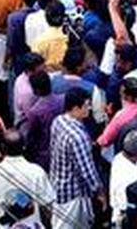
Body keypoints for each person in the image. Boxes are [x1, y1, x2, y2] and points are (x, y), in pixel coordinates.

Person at [50, 87, 104, 227]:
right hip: (72, 193)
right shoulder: (78, 137)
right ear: (75, 108)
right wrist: (99, 192)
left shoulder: (58, 120)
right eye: (86, 105)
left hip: (57, 183)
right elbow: (87, 171)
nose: (89, 109)